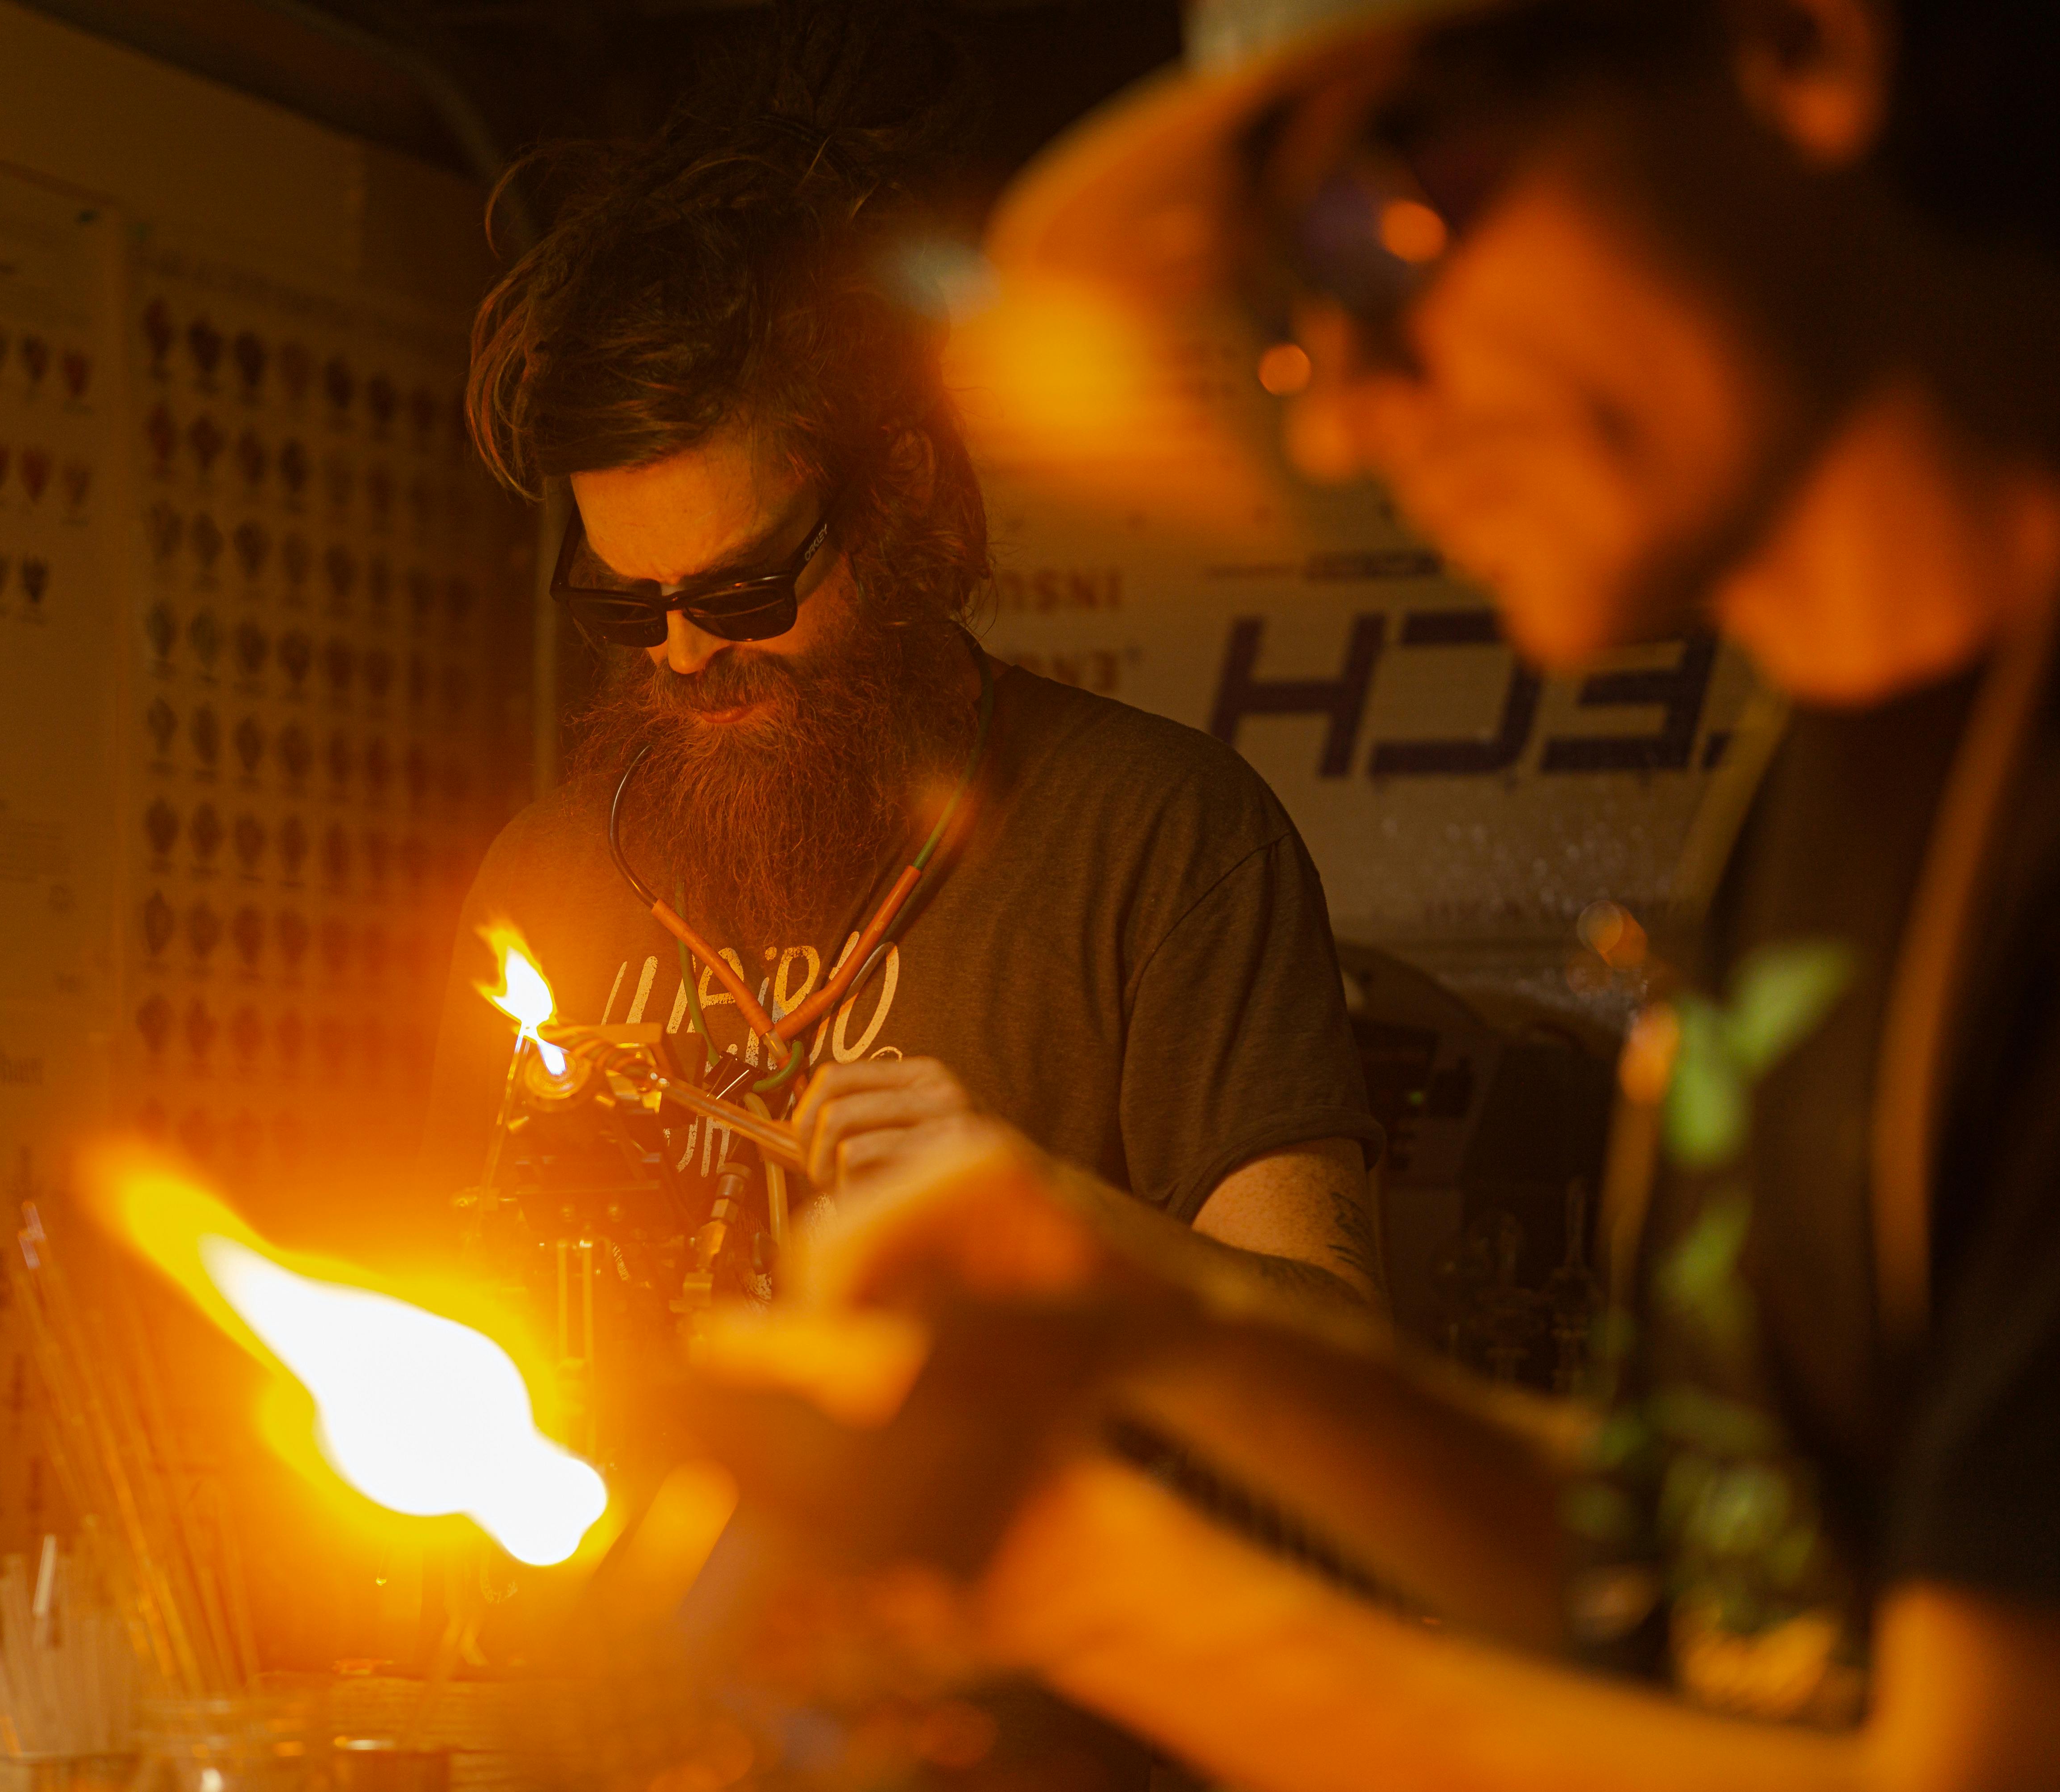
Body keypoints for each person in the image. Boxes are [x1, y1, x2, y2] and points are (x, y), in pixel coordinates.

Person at [726, 0, 2060, 1783]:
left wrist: (1104, 1601)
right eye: (1288, 320)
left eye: (1378, 223)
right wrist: (1154, 1322)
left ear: (1800, 47)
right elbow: (1714, 1611)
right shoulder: (1822, 799)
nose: (1350, 416)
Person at [420, 17, 1385, 1309]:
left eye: (746, 589)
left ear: (902, 500)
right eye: (630, 606)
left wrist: (1061, 1227)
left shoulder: (1160, 846)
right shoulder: (545, 881)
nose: (690, 653)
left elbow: (1332, 1353)